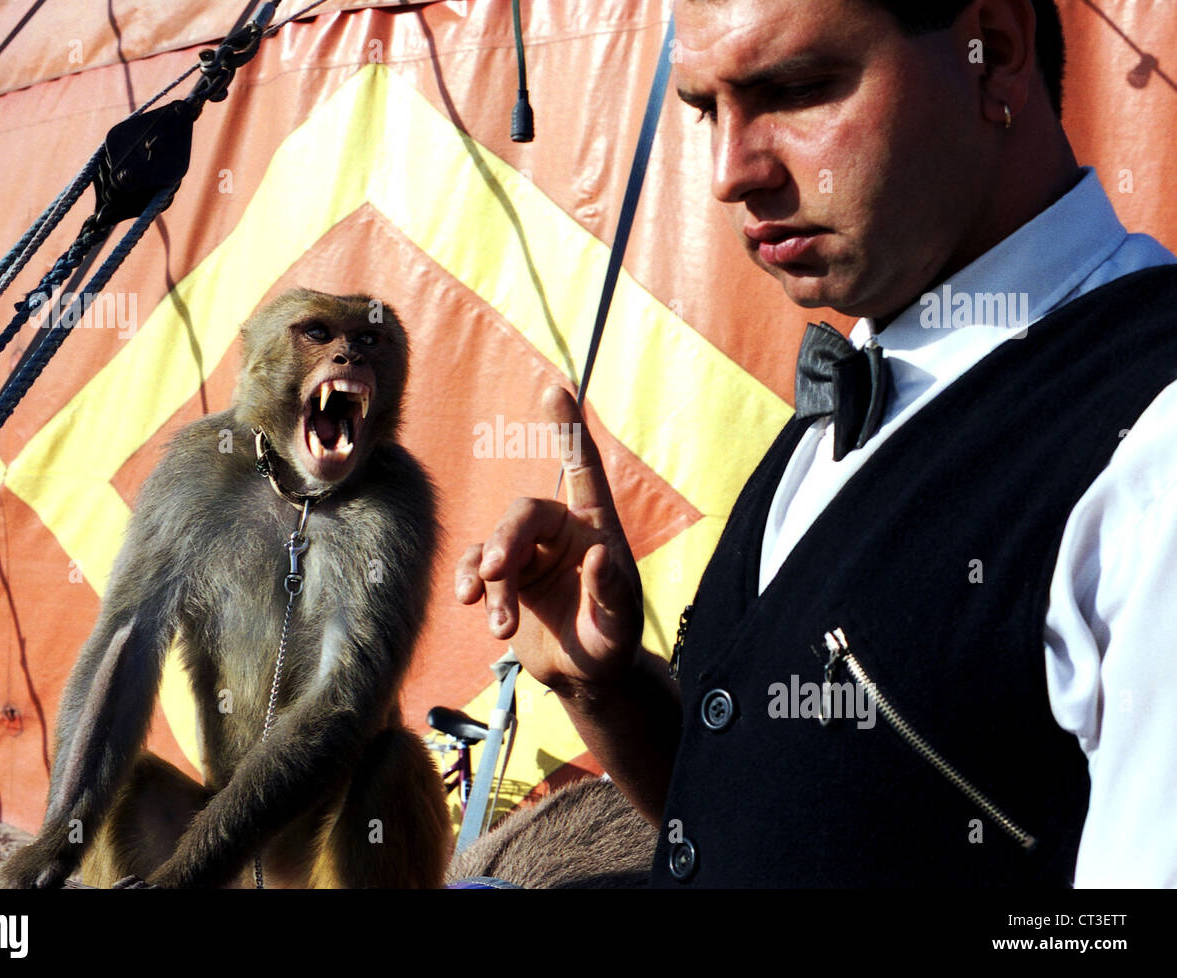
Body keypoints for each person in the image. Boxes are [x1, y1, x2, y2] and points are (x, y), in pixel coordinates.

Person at [455, 0, 1177, 887]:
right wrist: (608, 687)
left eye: (794, 91)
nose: (730, 171)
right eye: (703, 108)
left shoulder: (1153, 440)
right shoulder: (858, 379)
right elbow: (800, 819)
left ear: (995, 56)